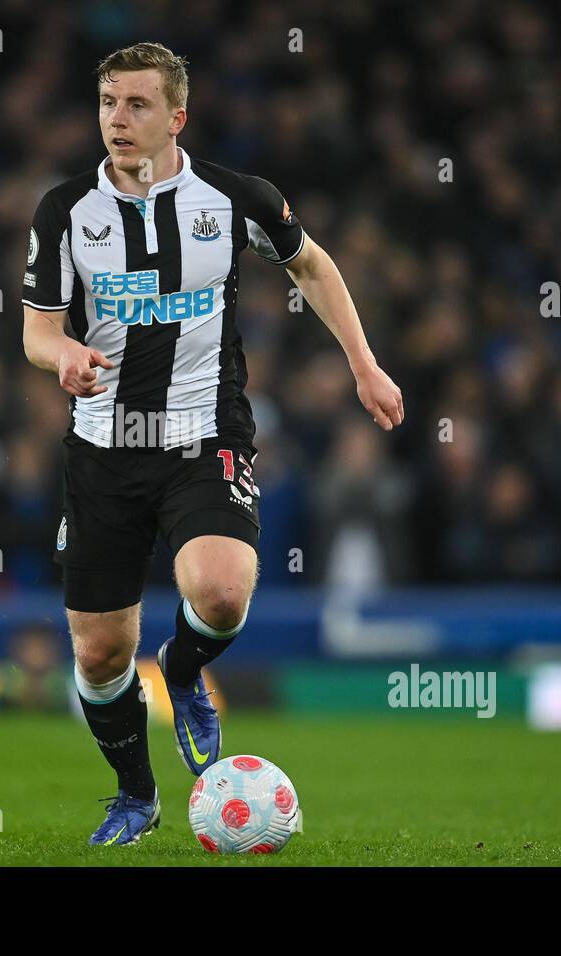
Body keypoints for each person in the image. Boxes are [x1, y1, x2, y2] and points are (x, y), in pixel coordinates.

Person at [20, 42, 403, 846]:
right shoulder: (66, 211)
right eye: (107, 104)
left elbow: (313, 268)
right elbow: (37, 330)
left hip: (205, 433)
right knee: (96, 654)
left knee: (223, 591)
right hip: (103, 447)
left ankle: (185, 668)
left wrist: (363, 365)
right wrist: (66, 356)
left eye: (137, 105)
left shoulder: (234, 200)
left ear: (177, 116)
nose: (117, 121)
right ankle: (136, 794)